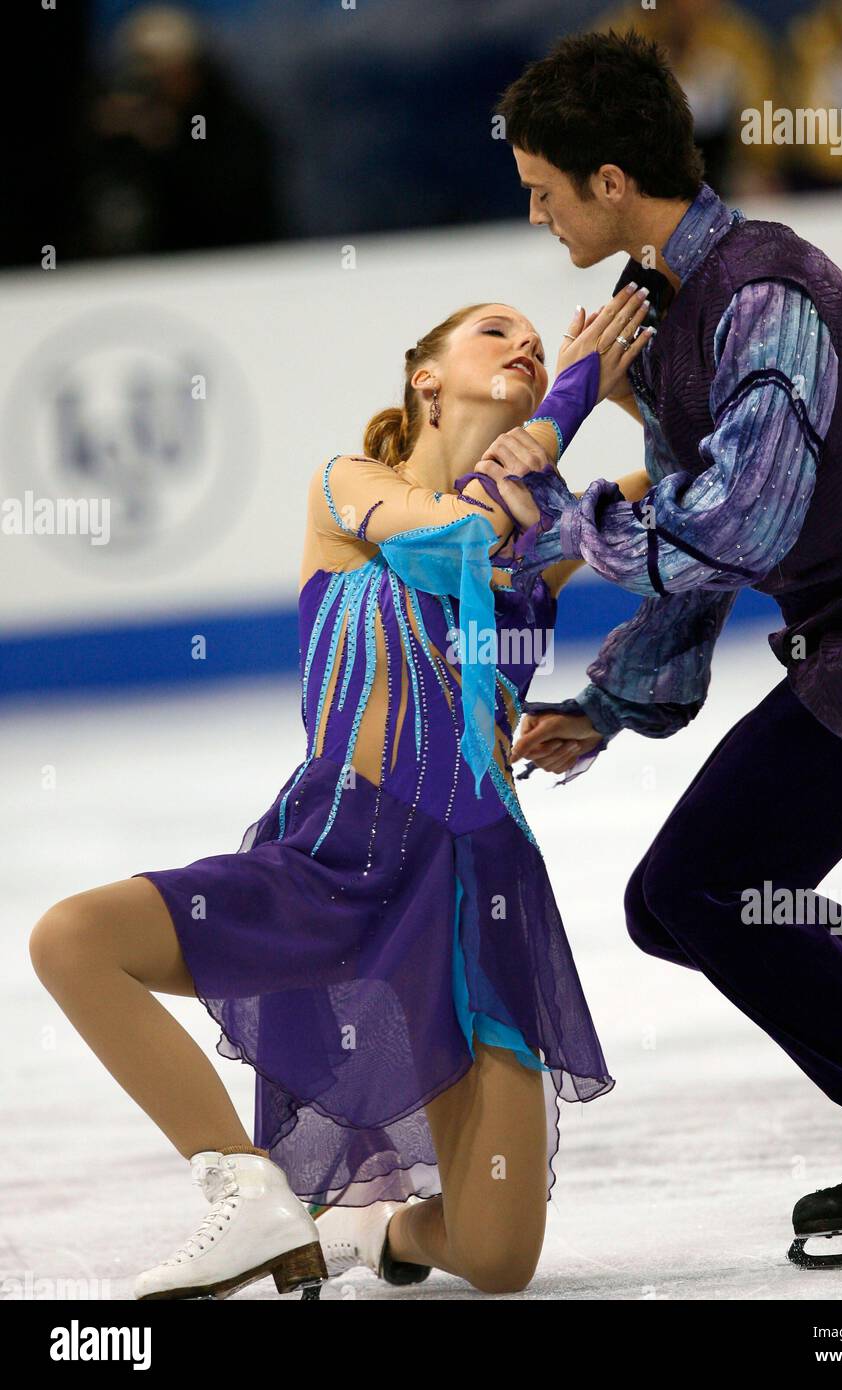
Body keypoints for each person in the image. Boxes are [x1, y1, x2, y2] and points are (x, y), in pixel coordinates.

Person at [475, 27, 842, 1267]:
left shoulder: (764, 289)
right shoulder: (662, 307)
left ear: (613, 182)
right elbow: (697, 534)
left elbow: (736, 521)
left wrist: (561, 517)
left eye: (546, 192)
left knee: (699, 887)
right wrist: (609, 704)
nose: (539, 217)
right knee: (687, 898)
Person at [27, 295, 653, 1299]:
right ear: (426, 379)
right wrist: (573, 389)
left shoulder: (548, 529)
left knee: (497, 1259)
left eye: (541, 345)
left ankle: (372, 1229)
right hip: (336, 849)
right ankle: (250, 1194)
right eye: (496, 333)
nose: (531, 345)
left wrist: (640, 386)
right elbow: (450, 535)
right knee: (72, 937)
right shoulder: (349, 486)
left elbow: (712, 485)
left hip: (474, 888)